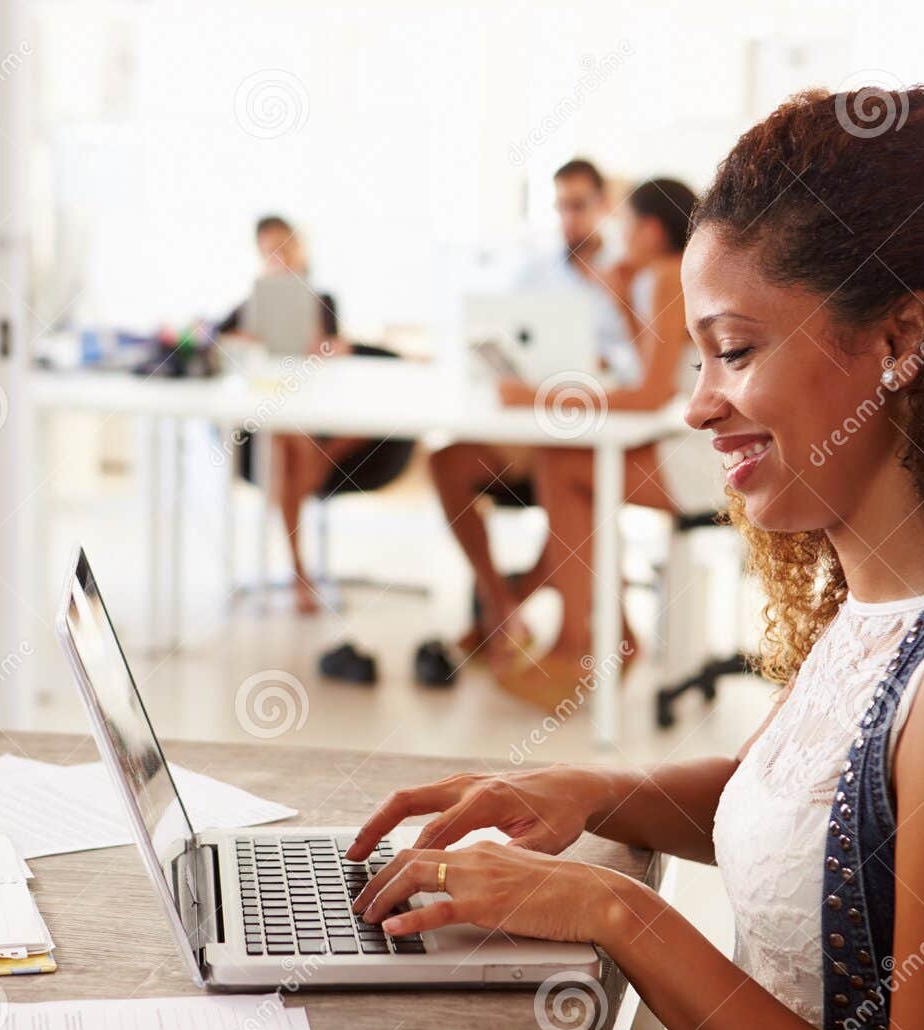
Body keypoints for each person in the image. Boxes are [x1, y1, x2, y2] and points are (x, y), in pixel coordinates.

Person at [342, 87, 924, 1030]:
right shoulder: (898, 598)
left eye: (733, 351)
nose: (697, 406)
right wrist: (588, 788)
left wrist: (615, 908)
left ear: (896, 343)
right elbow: (816, 812)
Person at [492, 177, 701, 709]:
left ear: (651, 231)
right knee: (567, 464)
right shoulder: (664, 276)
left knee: (564, 466)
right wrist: (620, 299)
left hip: (701, 465)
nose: (618, 233)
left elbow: (650, 394)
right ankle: (611, 636)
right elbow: (654, 363)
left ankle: (577, 643)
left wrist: (539, 396)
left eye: (625, 223)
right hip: (691, 447)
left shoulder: (665, 278)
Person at [428, 158, 628, 658]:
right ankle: (499, 602)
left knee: (571, 479)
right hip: (530, 424)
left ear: (603, 206)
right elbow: (496, 334)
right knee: (445, 461)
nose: (570, 219)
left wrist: (603, 358)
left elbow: (645, 363)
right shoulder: (535, 272)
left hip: (589, 432)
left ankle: (513, 610)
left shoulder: (629, 273)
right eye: (561, 207)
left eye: (579, 206)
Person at [218, 215, 391, 614]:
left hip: (325, 412)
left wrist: (330, 348)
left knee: (300, 446)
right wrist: (241, 341)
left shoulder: (322, 301)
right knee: (285, 442)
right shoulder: (252, 302)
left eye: (284, 247)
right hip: (279, 414)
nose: (278, 257)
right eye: (268, 251)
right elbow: (214, 336)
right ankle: (300, 571)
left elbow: (339, 349)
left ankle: (300, 567)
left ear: (299, 248)